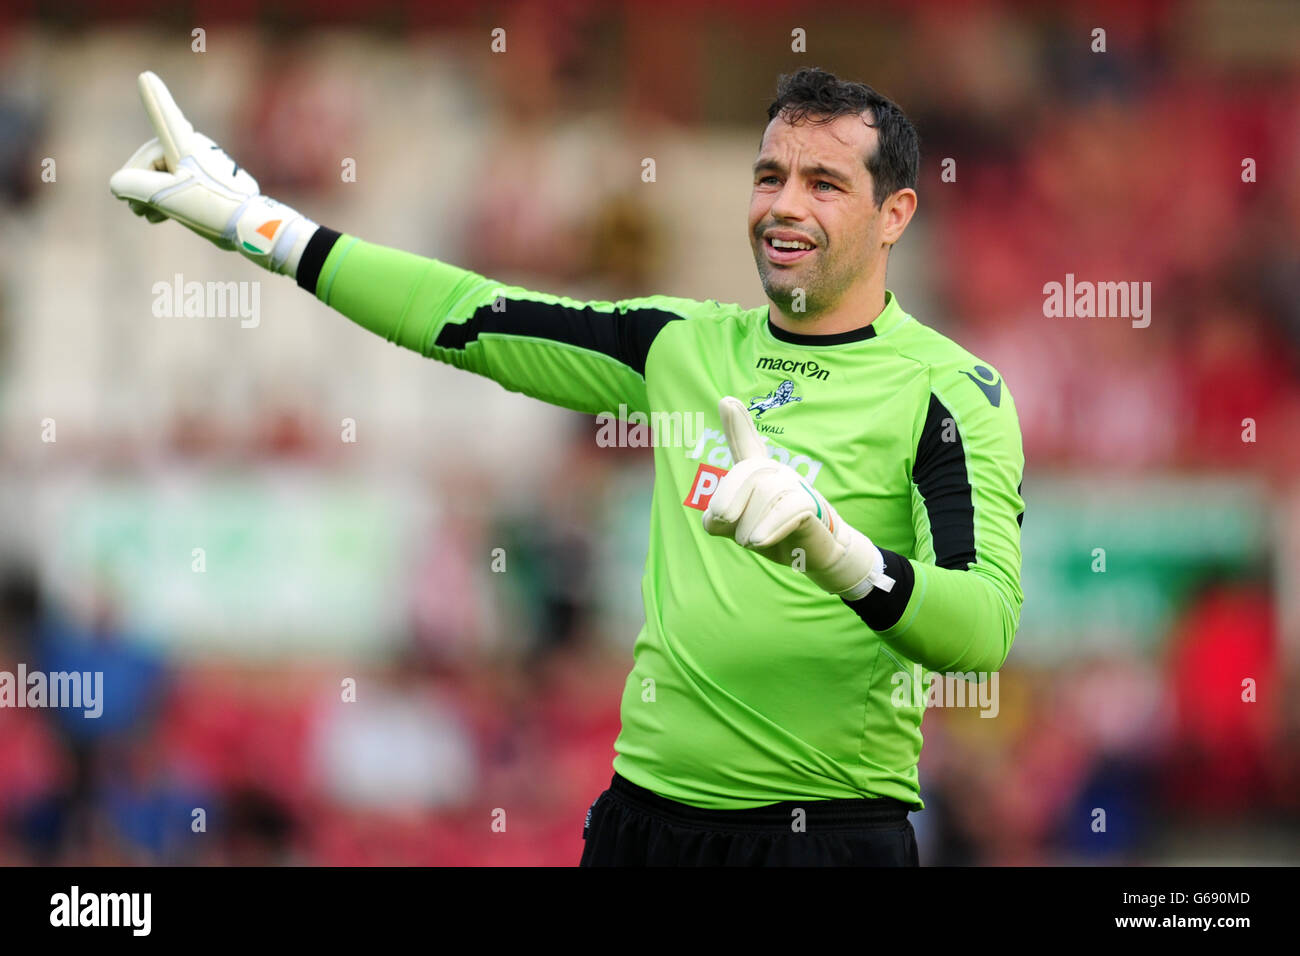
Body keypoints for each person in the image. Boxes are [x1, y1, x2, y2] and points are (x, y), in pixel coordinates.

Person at [110, 66, 1026, 866]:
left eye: (825, 183)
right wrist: (256, 225)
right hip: (645, 821)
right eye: (769, 175)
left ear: (895, 212)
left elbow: (981, 630)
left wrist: (835, 550)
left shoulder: (950, 391)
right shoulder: (680, 346)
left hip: (827, 832)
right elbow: (469, 315)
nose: (784, 204)